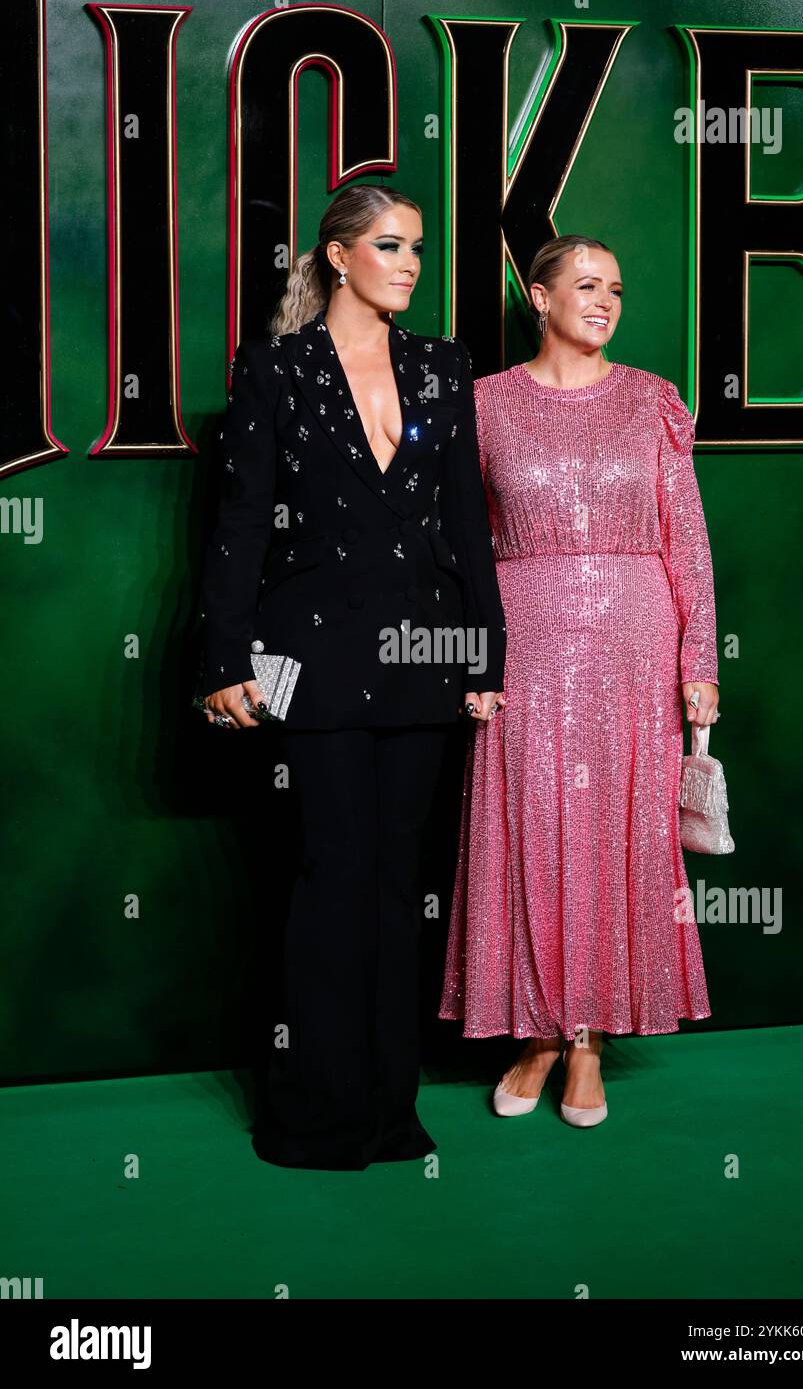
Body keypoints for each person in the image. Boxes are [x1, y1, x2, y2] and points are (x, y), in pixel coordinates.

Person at [194, 184, 506, 1169]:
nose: (410, 263)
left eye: (416, 247)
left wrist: (482, 657)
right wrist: (222, 658)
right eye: (389, 244)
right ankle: (314, 1113)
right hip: (311, 658)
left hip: (424, 656)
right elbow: (240, 522)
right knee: (329, 878)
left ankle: (387, 1108)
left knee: (394, 883)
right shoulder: (274, 369)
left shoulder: (442, 366)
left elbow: (467, 526)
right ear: (337, 256)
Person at [438, 235, 720, 1128]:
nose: (605, 302)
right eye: (587, 286)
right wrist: (469, 658)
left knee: (622, 835)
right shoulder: (482, 406)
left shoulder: (652, 403)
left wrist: (699, 661)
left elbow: (690, 545)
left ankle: (590, 1036)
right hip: (525, 643)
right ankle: (540, 1032)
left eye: (618, 289)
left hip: (638, 641)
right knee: (529, 827)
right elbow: (457, 552)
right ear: (539, 296)